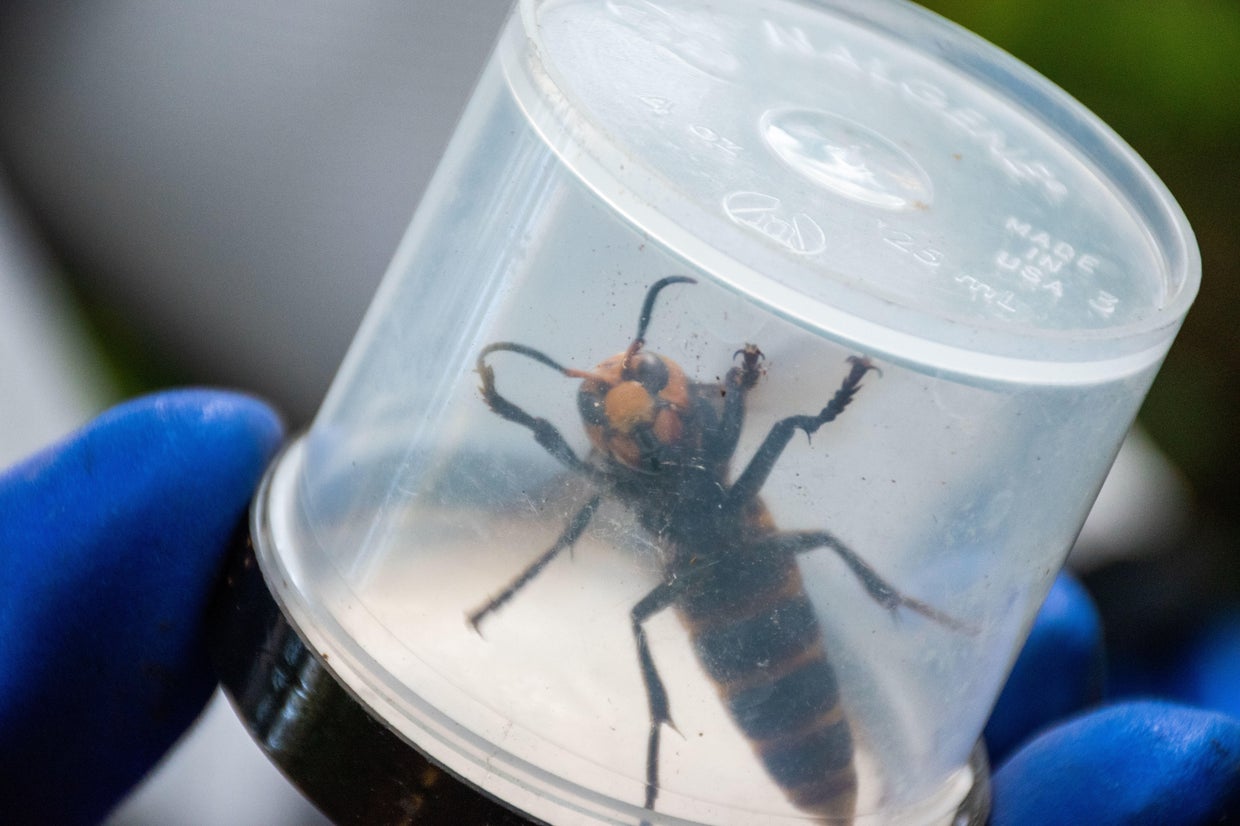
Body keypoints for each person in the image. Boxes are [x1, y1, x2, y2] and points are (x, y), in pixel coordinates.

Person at [2, 391, 1238, 825]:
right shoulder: (656, 476)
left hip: (771, 645)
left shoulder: (671, 471)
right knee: (717, 589)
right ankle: (660, 765)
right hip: (754, 633)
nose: (637, 397)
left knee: (723, 585)